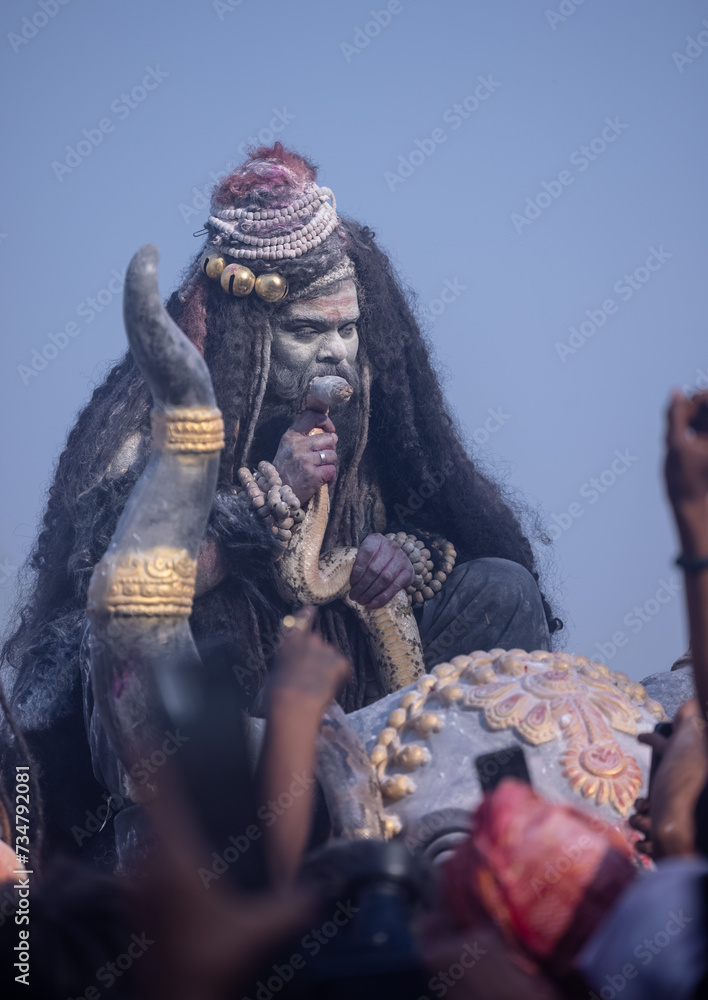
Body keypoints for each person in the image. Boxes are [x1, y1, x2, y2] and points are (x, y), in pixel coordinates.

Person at [1, 142, 561, 863]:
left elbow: (441, 527)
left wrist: (410, 557)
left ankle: (511, 835)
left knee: (503, 592)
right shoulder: (147, 433)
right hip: (233, 722)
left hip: (368, 701)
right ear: (252, 337)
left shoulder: (377, 421)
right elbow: (117, 605)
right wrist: (261, 510)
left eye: (346, 328)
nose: (334, 350)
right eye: (306, 330)